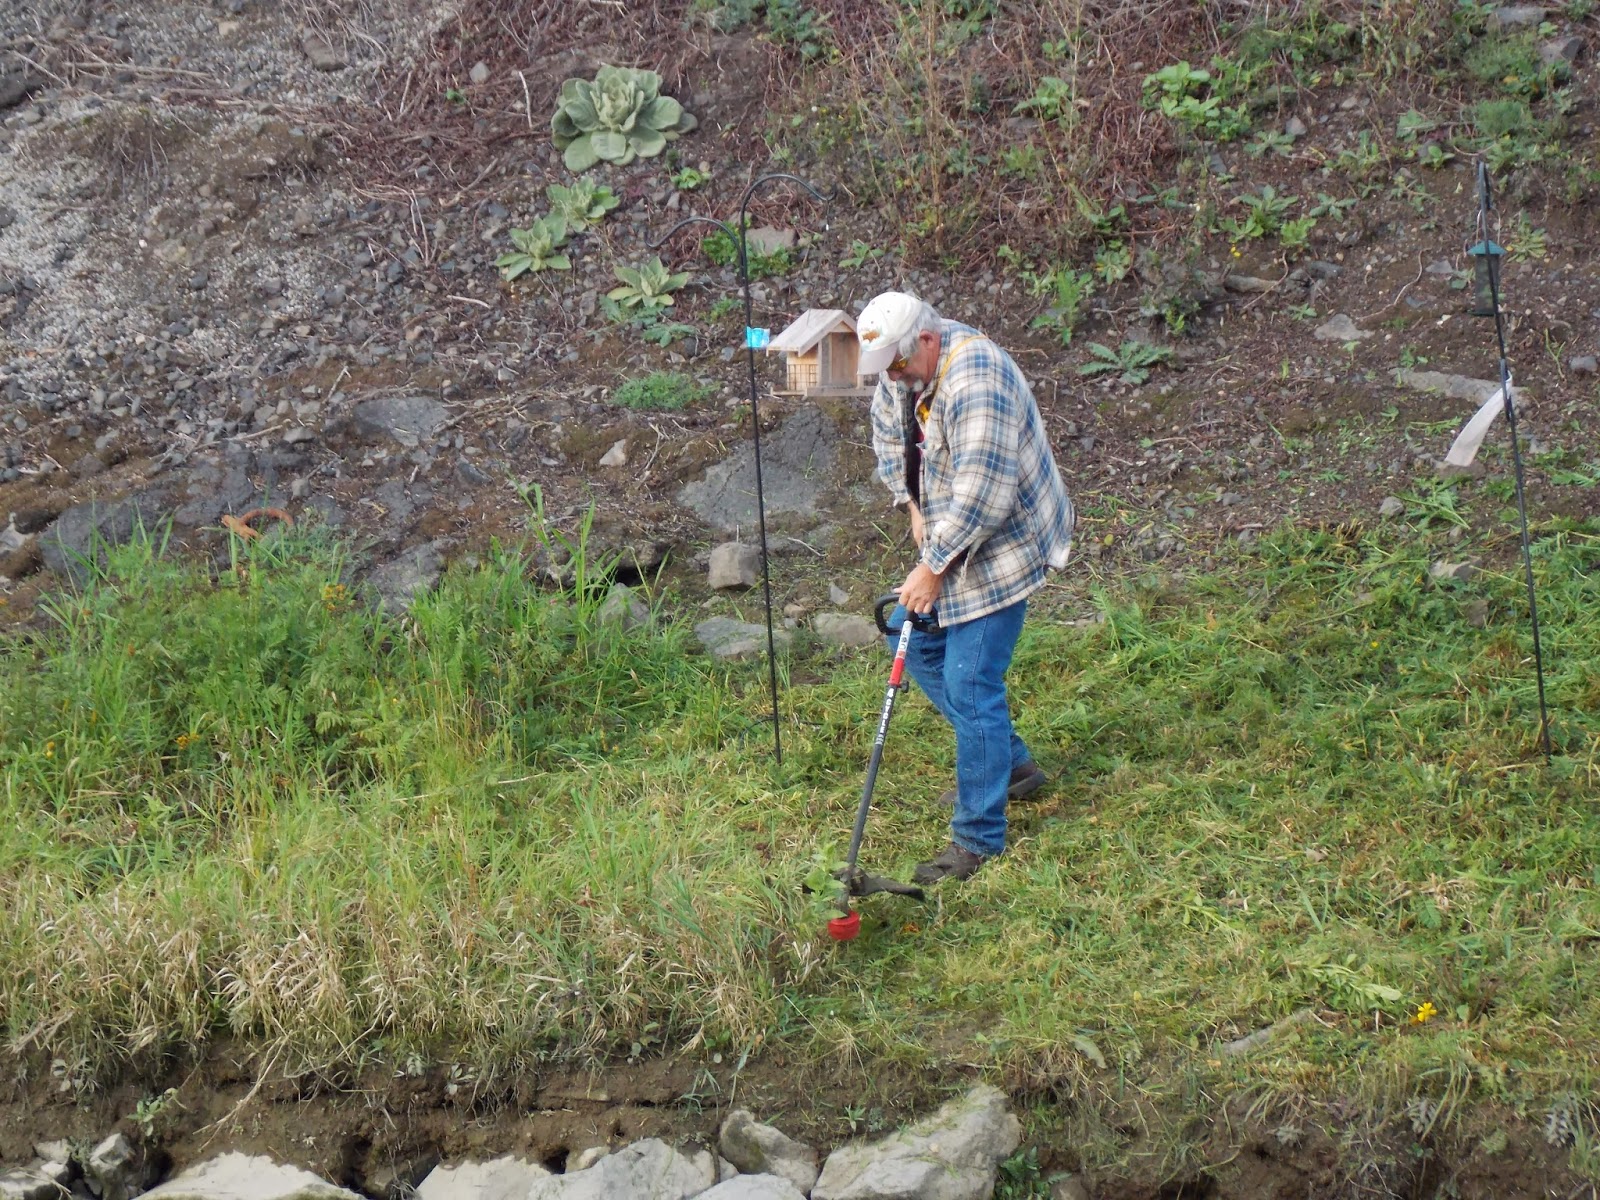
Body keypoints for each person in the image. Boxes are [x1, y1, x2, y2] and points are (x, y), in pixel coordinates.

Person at [854, 291, 1074, 884]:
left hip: (1006, 541)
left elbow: (985, 495)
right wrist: (909, 502)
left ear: (926, 340)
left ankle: (977, 839)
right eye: (886, 372)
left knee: (968, 681)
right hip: (951, 532)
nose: (893, 380)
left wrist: (933, 566)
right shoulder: (900, 368)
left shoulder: (978, 377)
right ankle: (1013, 764)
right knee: (911, 637)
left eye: (899, 367)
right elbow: (886, 436)